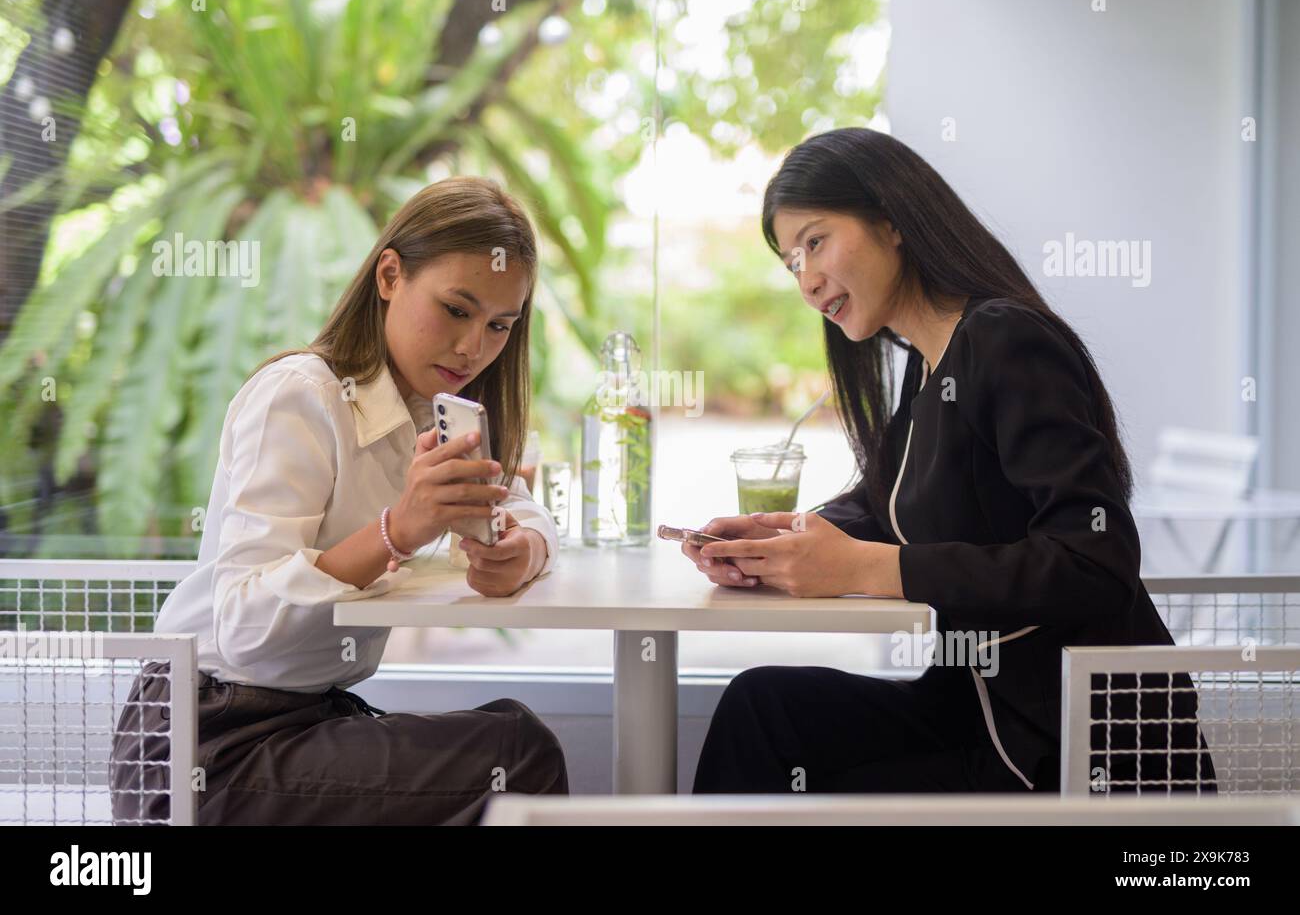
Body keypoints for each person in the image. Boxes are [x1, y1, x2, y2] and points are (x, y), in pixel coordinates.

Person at [682, 128, 1216, 796]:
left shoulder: (1004, 339)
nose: (807, 280)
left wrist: (872, 568)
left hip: (1068, 744)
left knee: (779, 731)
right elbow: (885, 507)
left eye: (815, 241)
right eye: (792, 262)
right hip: (978, 710)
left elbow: (1095, 558)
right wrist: (772, 542)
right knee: (764, 707)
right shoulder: (928, 371)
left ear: (891, 219)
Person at [111, 177, 567, 824]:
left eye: (499, 324)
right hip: (200, 746)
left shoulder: (427, 411)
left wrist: (523, 549)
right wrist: (396, 532)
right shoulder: (299, 397)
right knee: (517, 753)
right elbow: (244, 628)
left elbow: (523, 504)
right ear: (389, 274)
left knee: (509, 742)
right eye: (456, 309)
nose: (474, 347)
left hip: (302, 717)